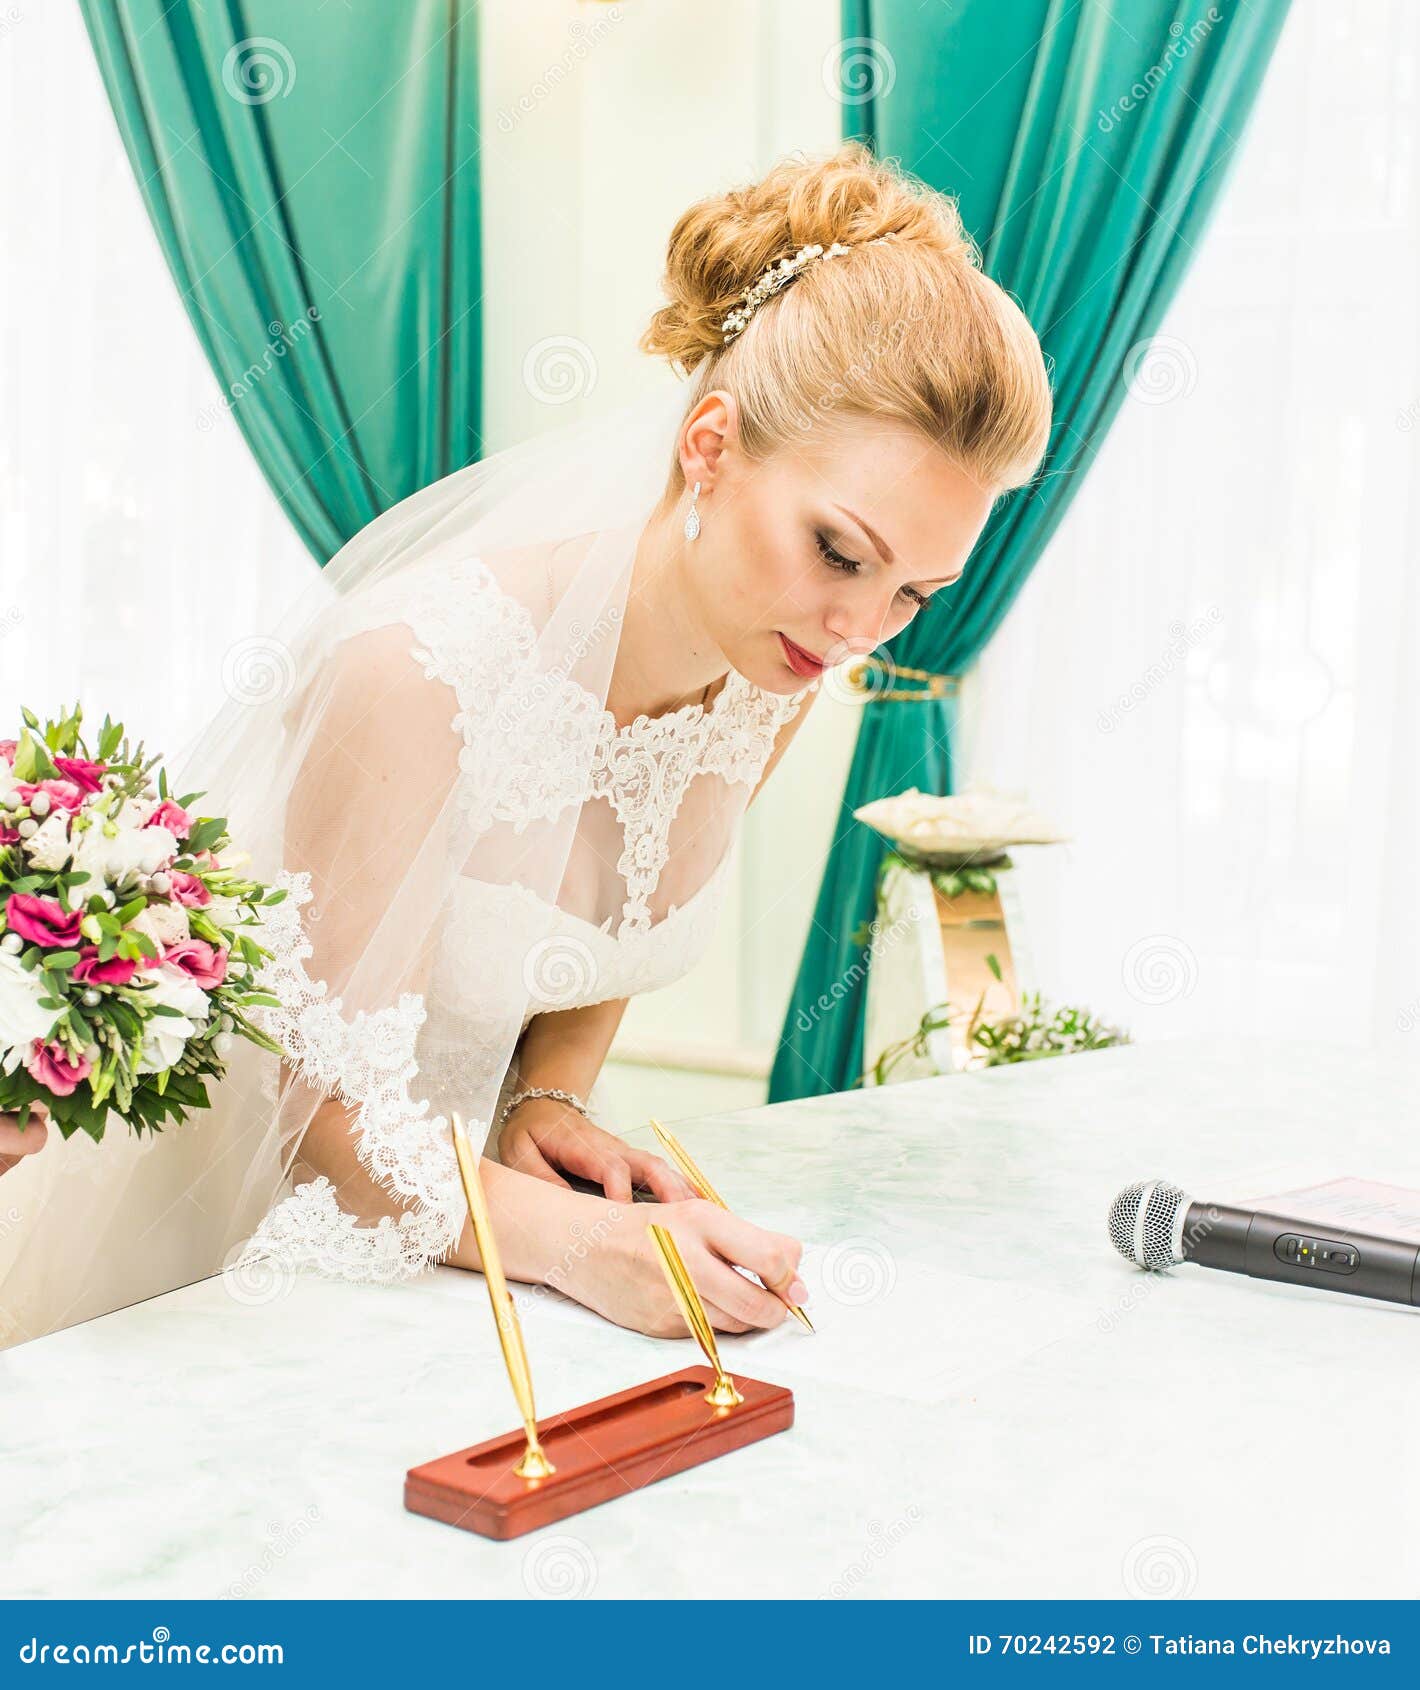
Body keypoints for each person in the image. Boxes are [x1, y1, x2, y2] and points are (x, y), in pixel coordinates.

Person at [0, 142, 1050, 1345]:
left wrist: (548, 1093)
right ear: (709, 445)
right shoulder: (412, 666)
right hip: (246, 1264)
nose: (861, 627)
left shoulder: (771, 675)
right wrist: (594, 1246)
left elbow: (604, 920)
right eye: (838, 551)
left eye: (915, 593)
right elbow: (314, 1119)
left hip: (465, 1266)